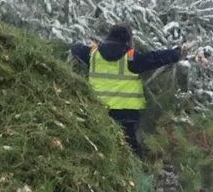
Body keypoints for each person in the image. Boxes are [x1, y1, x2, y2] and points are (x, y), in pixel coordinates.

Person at [70, 23, 194, 157]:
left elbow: (76, 49)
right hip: (126, 116)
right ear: (128, 40)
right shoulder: (131, 57)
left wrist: (86, 46)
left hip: (99, 111)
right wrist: (177, 53)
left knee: (101, 149)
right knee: (131, 154)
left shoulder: (93, 54)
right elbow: (156, 57)